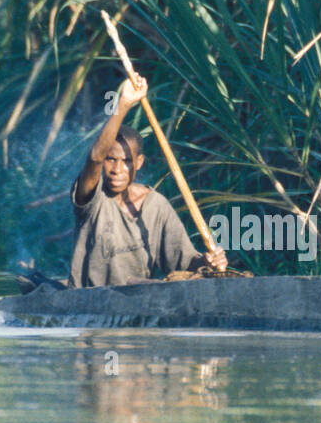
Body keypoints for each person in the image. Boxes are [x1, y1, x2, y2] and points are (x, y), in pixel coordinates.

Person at [68, 74, 227, 288]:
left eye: (126, 161)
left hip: (138, 302)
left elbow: (186, 263)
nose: (117, 170)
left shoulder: (156, 205)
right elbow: (95, 156)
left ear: (139, 162)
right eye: (110, 160)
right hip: (90, 302)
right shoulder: (93, 200)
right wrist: (123, 104)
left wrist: (207, 262)